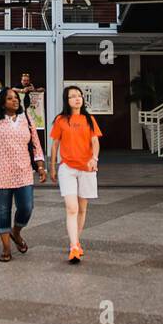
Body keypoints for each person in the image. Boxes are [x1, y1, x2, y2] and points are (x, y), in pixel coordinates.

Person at [0, 86, 47, 262]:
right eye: (10, 98)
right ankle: (6, 247)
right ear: (2, 102)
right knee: (3, 210)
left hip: (23, 171)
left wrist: (41, 167)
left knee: (26, 208)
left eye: (16, 98)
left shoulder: (27, 119)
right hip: (0, 172)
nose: (15, 100)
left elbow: (36, 144)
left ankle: (16, 232)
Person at [49, 85, 102, 264]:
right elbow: (55, 144)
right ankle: (73, 246)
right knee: (72, 208)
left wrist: (94, 158)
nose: (77, 98)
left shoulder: (89, 119)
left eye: (79, 96)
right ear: (67, 100)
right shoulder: (61, 120)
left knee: (82, 208)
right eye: (72, 96)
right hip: (67, 168)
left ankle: (76, 241)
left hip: (87, 168)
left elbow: (95, 142)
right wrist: (53, 167)